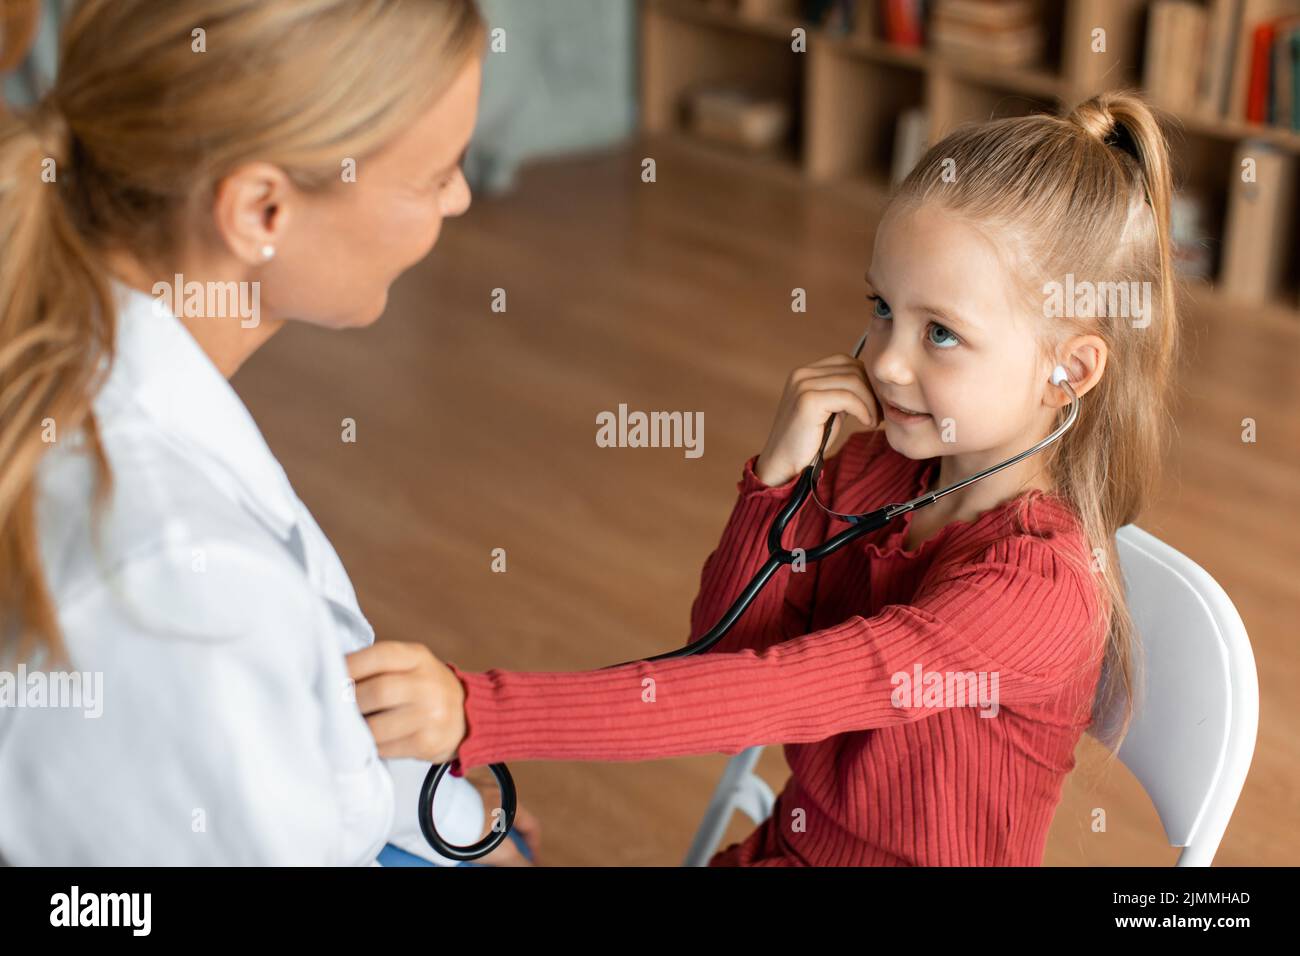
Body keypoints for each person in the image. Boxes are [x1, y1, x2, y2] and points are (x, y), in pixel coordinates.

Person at [348, 89, 1180, 866]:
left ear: (1068, 370)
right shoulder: (879, 473)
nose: (886, 362)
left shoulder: (1034, 591)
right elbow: (731, 639)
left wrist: (480, 712)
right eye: (883, 308)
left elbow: (767, 694)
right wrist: (778, 480)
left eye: (942, 335)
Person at [0, 0, 540, 866]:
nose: (463, 196)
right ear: (260, 212)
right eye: (437, 172)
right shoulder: (178, 586)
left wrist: (466, 829)